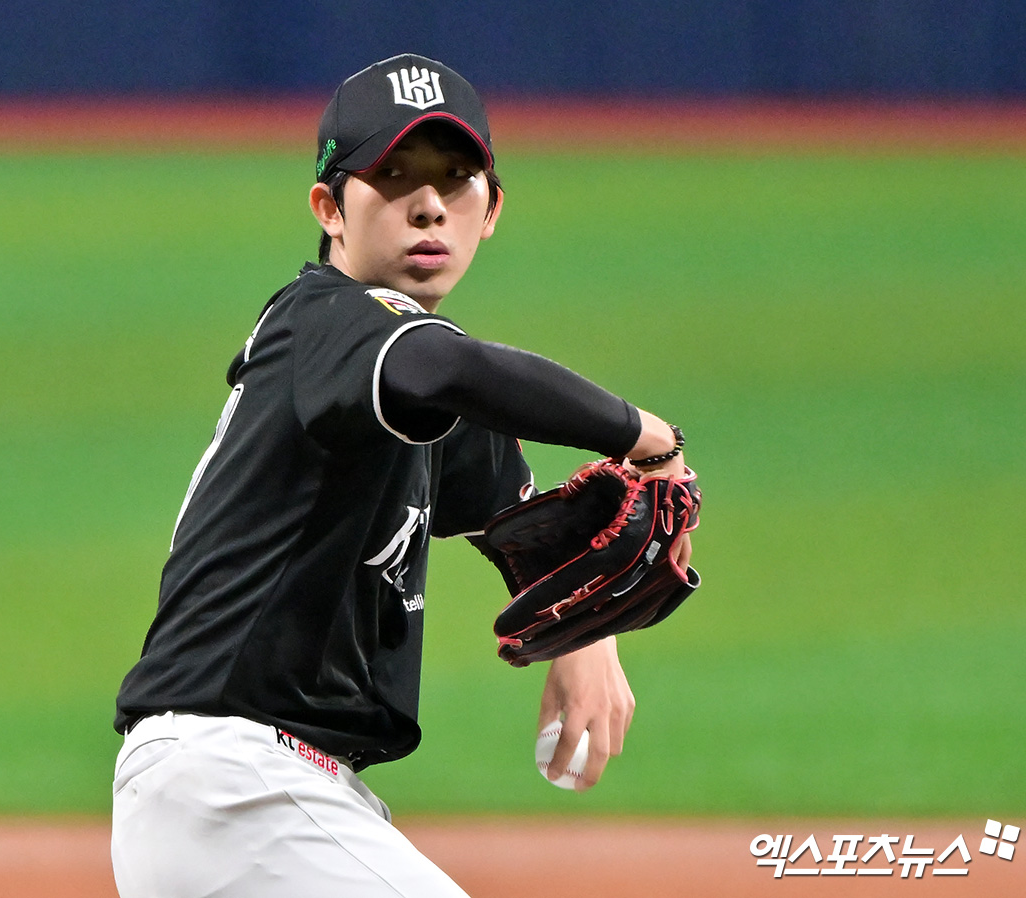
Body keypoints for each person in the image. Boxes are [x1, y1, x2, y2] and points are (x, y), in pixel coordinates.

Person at [110, 53, 691, 898]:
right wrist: (647, 436)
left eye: (457, 180)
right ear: (329, 208)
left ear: (491, 211)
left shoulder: (415, 389)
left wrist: (584, 639)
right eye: (393, 174)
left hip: (258, 794)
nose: (429, 204)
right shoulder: (331, 323)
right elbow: (449, 372)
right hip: (236, 785)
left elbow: (519, 524)